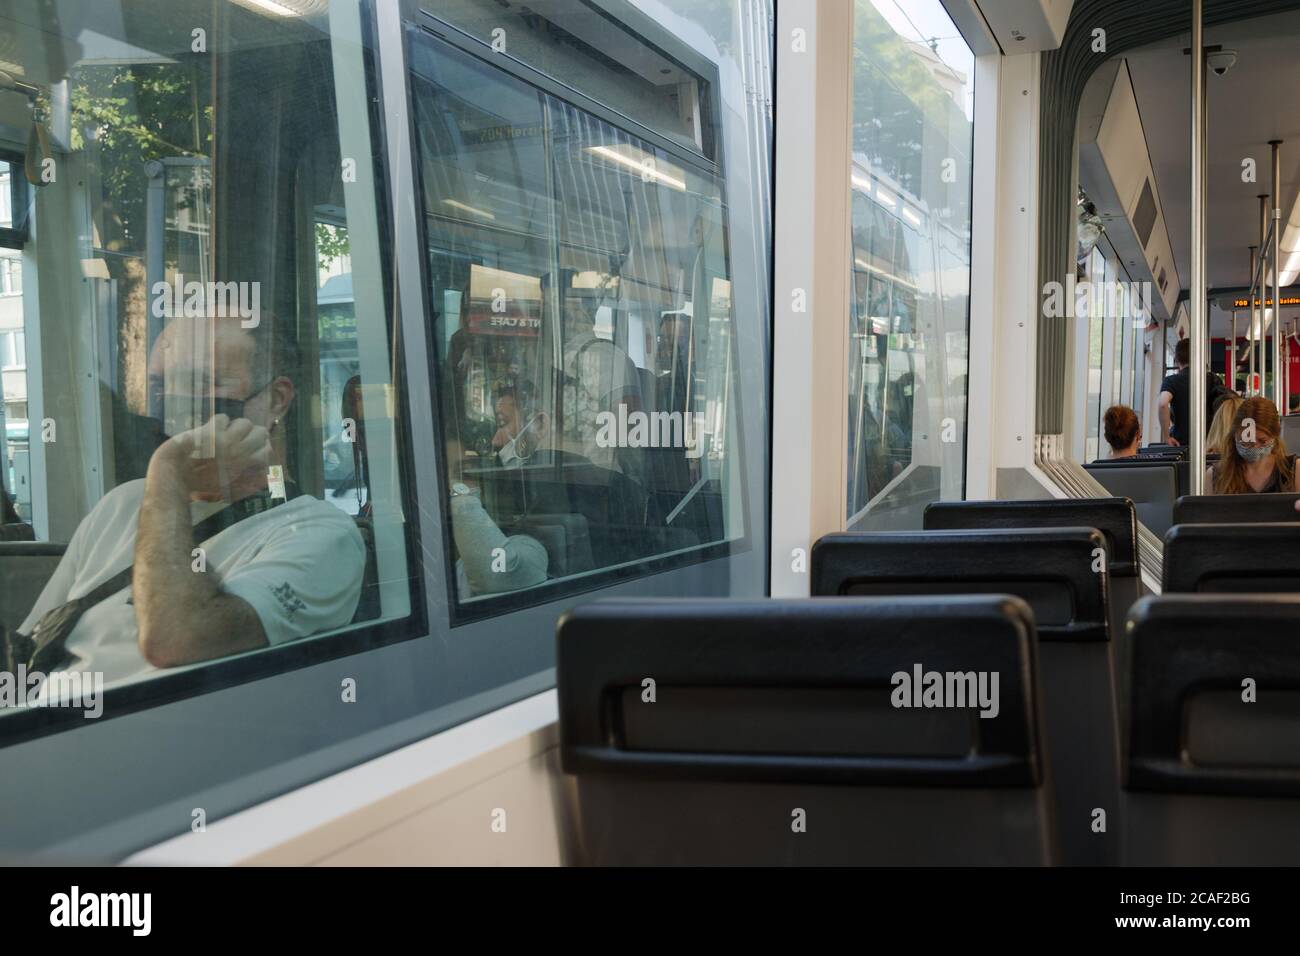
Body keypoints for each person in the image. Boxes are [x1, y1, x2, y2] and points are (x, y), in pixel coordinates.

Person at [11, 314, 365, 686]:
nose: (174, 406)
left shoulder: (321, 535)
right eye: (160, 387)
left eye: (201, 383)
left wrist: (168, 476)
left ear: (276, 400)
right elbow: (33, 644)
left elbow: (176, 638)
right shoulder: (123, 504)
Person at [1206, 396, 1300, 494]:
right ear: (1235, 436)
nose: (1255, 447)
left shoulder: (1294, 470)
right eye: (1247, 442)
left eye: (1262, 441)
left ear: (1274, 437)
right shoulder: (1215, 476)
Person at [1158, 337, 1222, 446]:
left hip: (1181, 444)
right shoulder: (1213, 379)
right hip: (1210, 442)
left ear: (1177, 359)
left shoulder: (1171, 381)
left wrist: (1166, 437)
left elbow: (1163, 404)